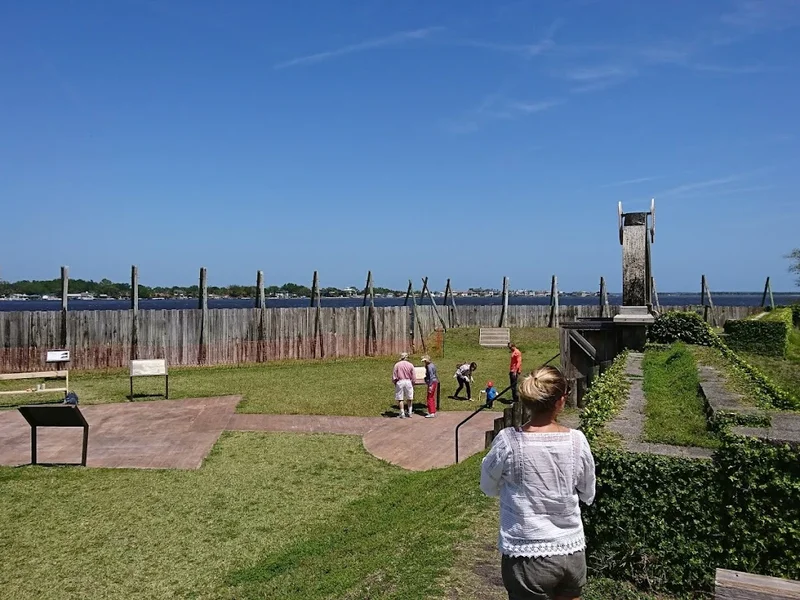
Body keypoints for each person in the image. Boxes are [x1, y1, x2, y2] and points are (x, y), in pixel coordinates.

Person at [480, 366, 596, 600]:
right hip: (571, 552)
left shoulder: (508, 442)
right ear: (561, 400)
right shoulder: (577, 441)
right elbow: (587, 493)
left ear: (527, 400)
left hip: (527, 556)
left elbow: (487, 486)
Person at [392, 352, 415, 418]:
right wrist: (413, 382)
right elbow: (413, 375)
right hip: (408, 381)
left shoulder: (397, 365)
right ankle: (410, 412)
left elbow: (394, 375)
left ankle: (402, 413)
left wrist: (395, 382)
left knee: (400, 398)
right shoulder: (410, 365)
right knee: (409, 397)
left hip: (400, 381)